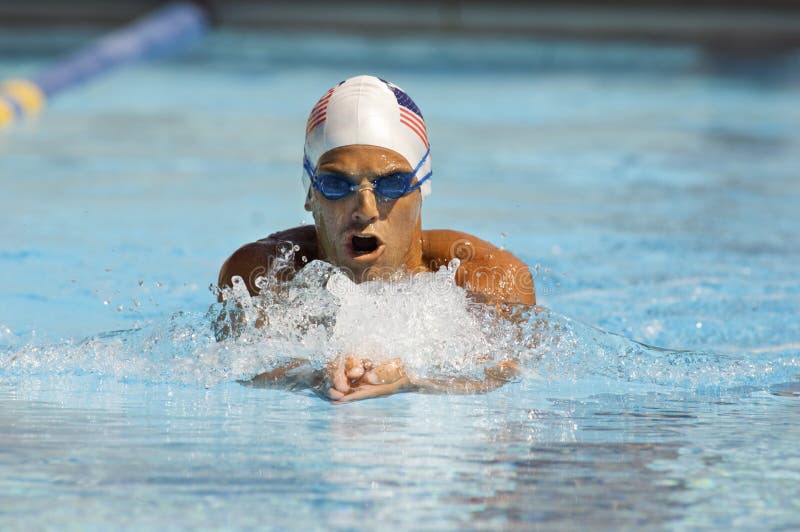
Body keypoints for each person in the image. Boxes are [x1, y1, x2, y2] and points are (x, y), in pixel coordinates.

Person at [218, 75, 535, 402]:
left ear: (421, 189)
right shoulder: (262, 274)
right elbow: (230, 364)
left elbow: (512, 368)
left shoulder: (484, 276)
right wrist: (309, 374)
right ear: (311, 194)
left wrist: (412, 378)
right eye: (337, 186)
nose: (365, 209)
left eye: (392, 184)